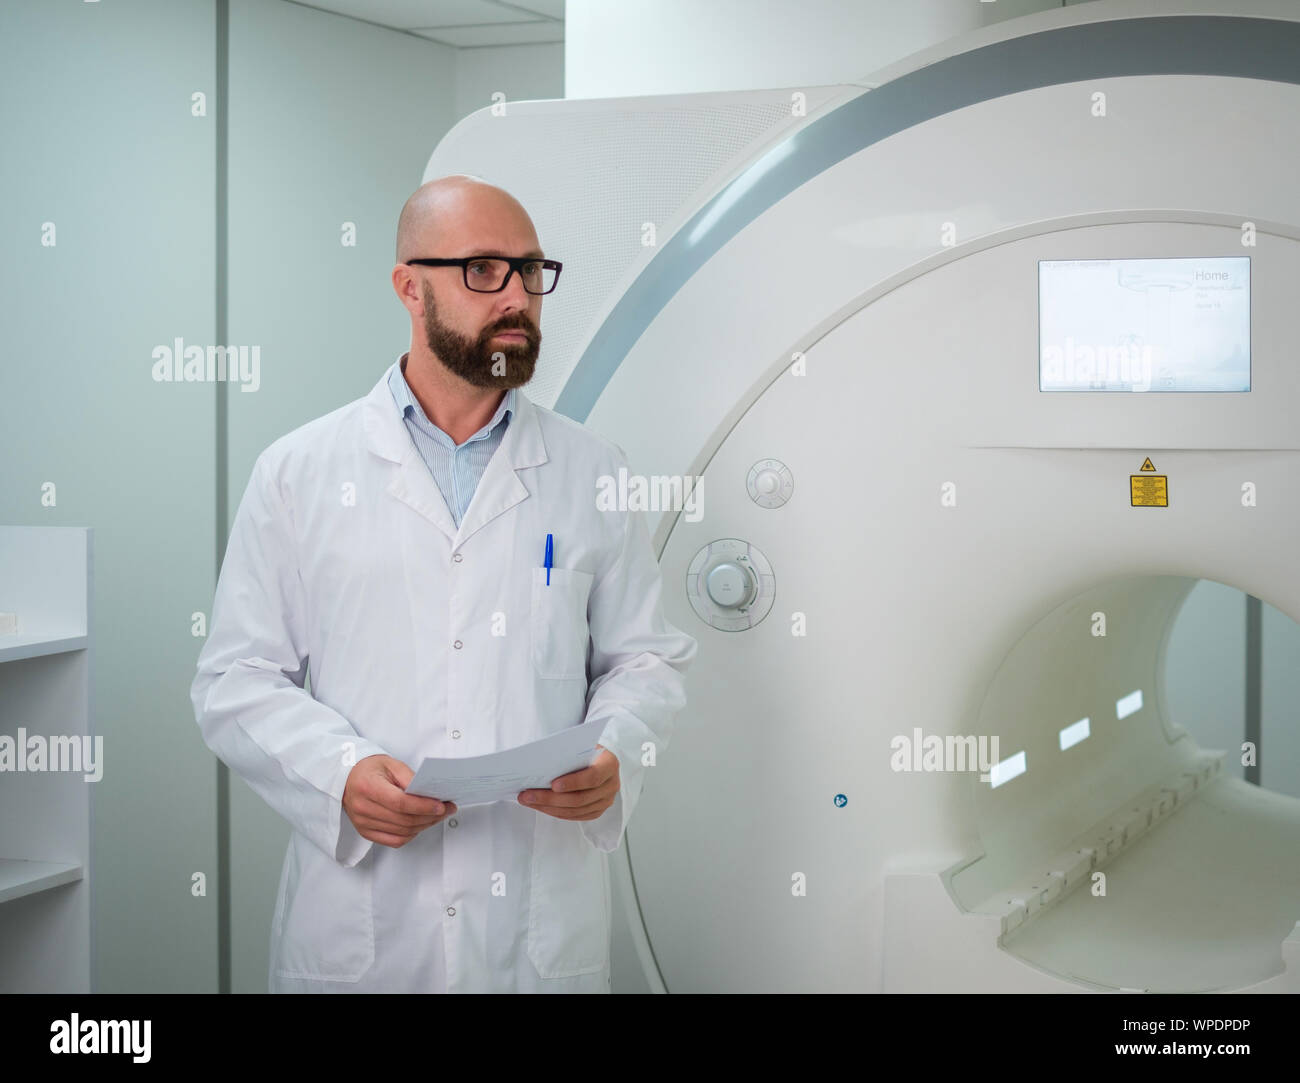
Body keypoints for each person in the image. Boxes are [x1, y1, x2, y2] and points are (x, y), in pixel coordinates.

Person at [190, 174, 698, 993]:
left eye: (531, 272)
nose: (519, 297)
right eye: (484, 270)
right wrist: (340, 772)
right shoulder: (299, 472)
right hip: (364, 926)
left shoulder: (592, 469)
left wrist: (616, 749)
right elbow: (234, 678)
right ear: (408, 287)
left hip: (536, 930)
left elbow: (646, 659)